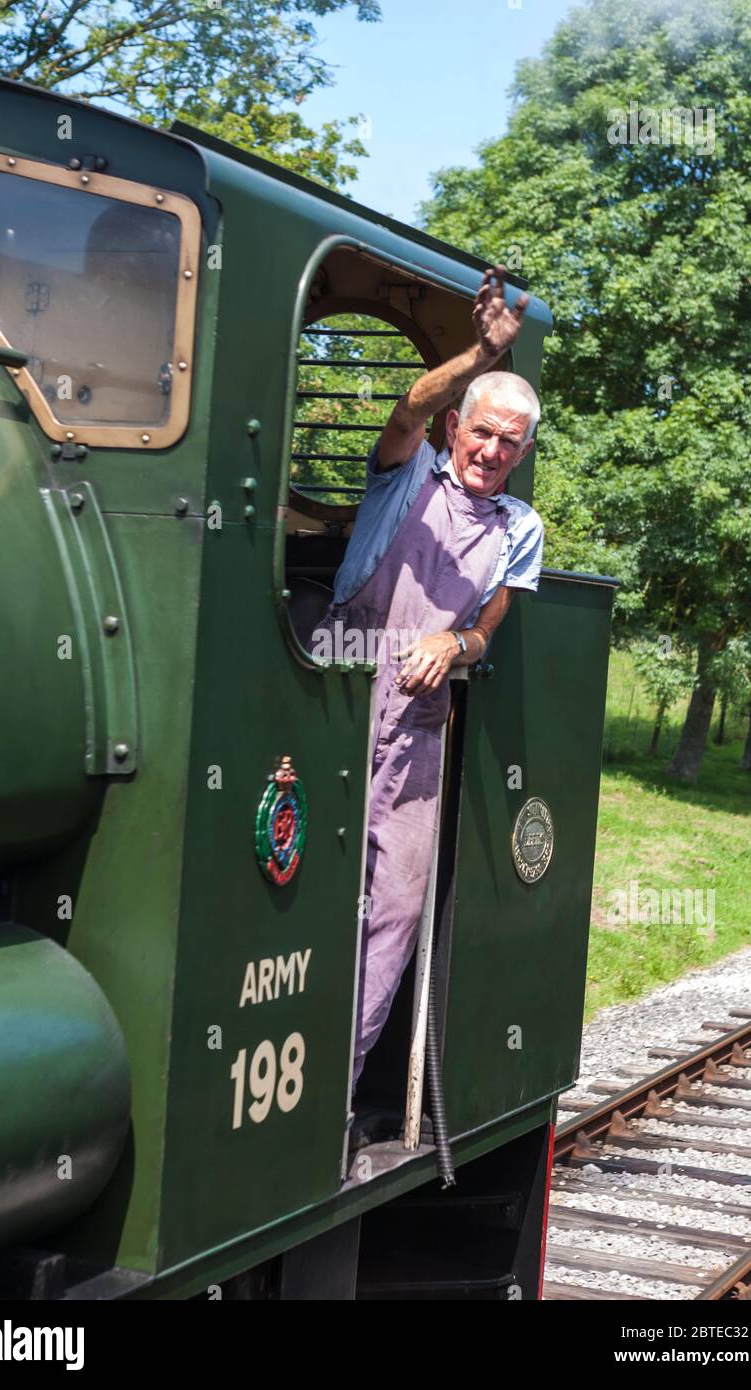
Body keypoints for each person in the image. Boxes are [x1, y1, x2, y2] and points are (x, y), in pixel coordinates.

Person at [310, 267, 545, 1092]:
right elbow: (405, 408)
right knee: (310, 891)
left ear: (523, 451)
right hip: (332, 695)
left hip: (418, 722)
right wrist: (479, 351)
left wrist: (458, 645)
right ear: (457, 425)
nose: (491, 451)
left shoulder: (521, 527)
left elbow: (491, 623)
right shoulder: (406, 474)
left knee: (398, 911)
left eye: (510, 441)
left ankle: (335, 1090)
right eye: (482, 431)